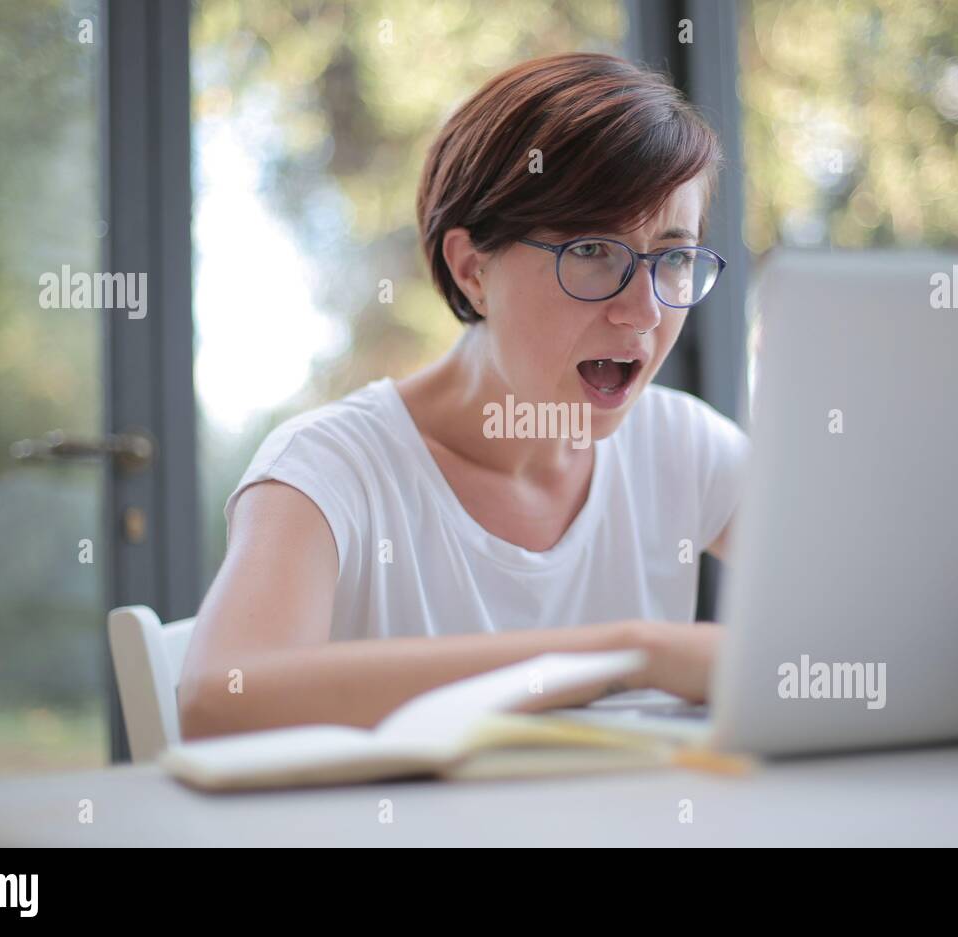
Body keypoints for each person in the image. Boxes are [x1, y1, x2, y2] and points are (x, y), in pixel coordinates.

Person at [179, 52, 749, 739]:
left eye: (672, 257)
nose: (644, 311)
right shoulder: (328, 468)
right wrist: (628, 654)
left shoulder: (685, 446)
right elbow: (219, 698)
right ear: (473, 270)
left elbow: (868, 621)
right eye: (593, 251)